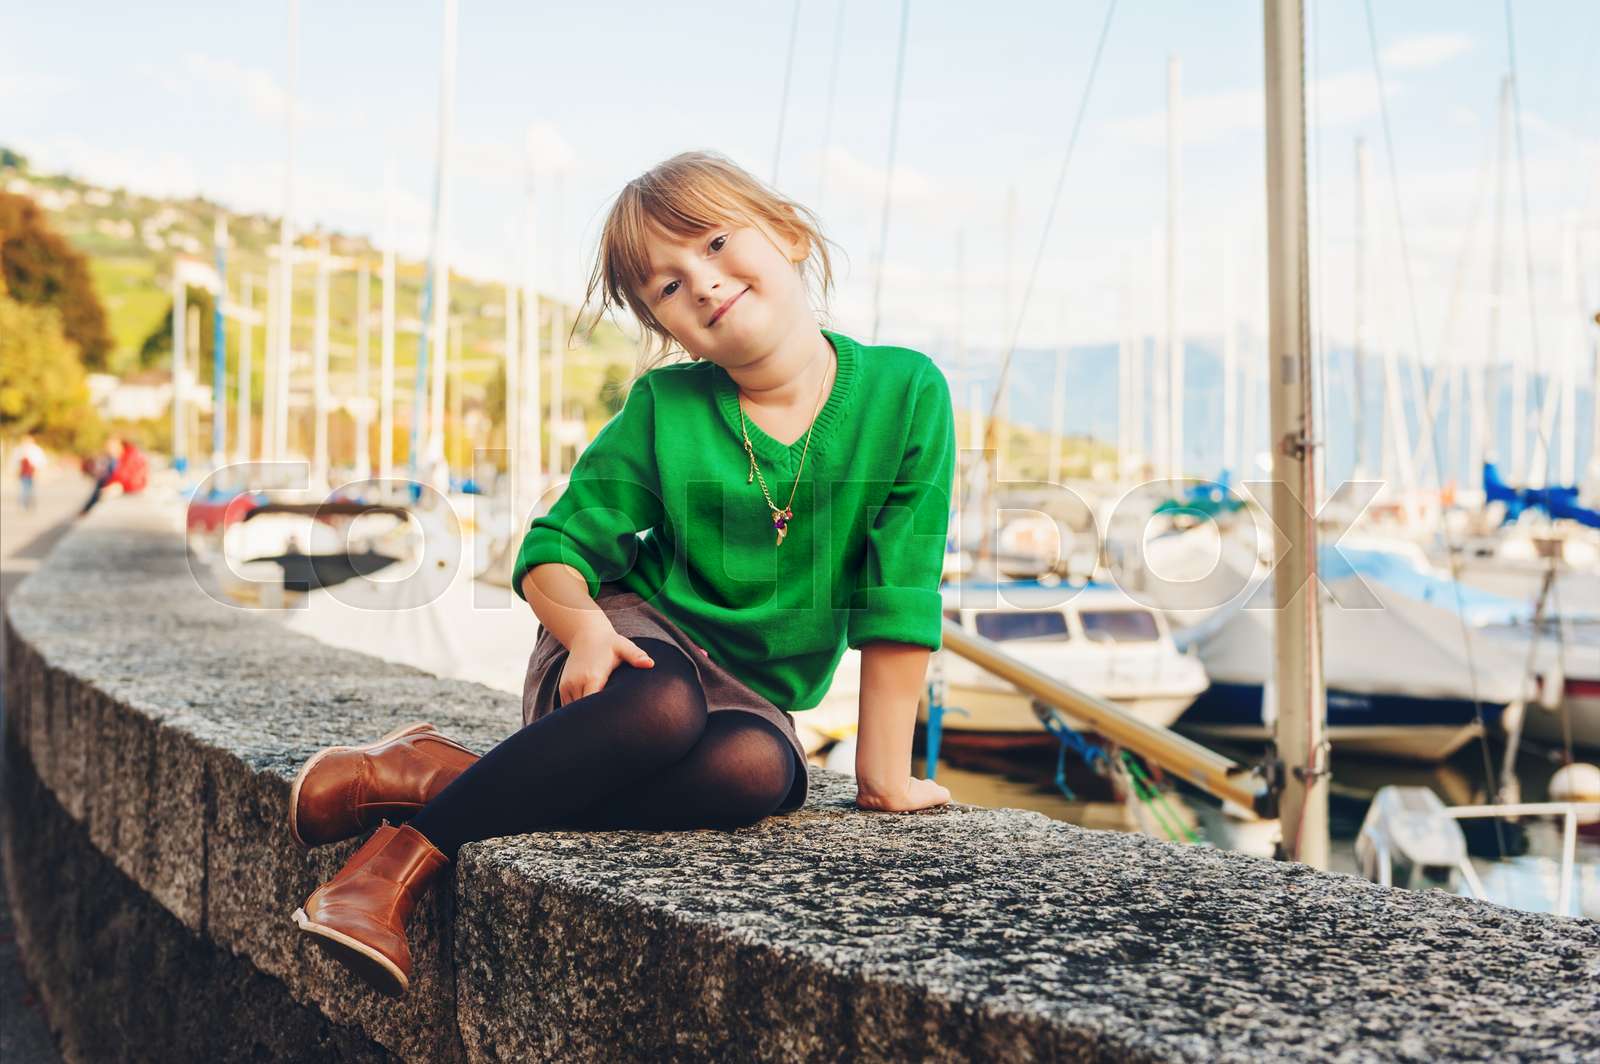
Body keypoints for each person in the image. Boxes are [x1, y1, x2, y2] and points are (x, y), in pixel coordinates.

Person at [287, 150, 958, 997]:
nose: (703, 282)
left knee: (761, 775)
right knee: (662, 705)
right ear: (665, 326)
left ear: (786, 233)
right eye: (667, 287)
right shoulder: (665, 408)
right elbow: (553, 551)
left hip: (752, 688)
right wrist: (586, 631)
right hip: (631, 639)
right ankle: (390, 870)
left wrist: (883, 776)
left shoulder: (906, 394)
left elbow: (899, 592)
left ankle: (437, 772)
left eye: (716, 243)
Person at [13, 434, 46, 511]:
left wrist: (38, 471)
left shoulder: (35, 450)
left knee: (29, 488)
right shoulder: (20, 449)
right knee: (23, 488)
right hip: (23, 472)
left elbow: (40, 462)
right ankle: (24, 503)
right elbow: (15, 461)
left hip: (31, 472)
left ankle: (28, 502)